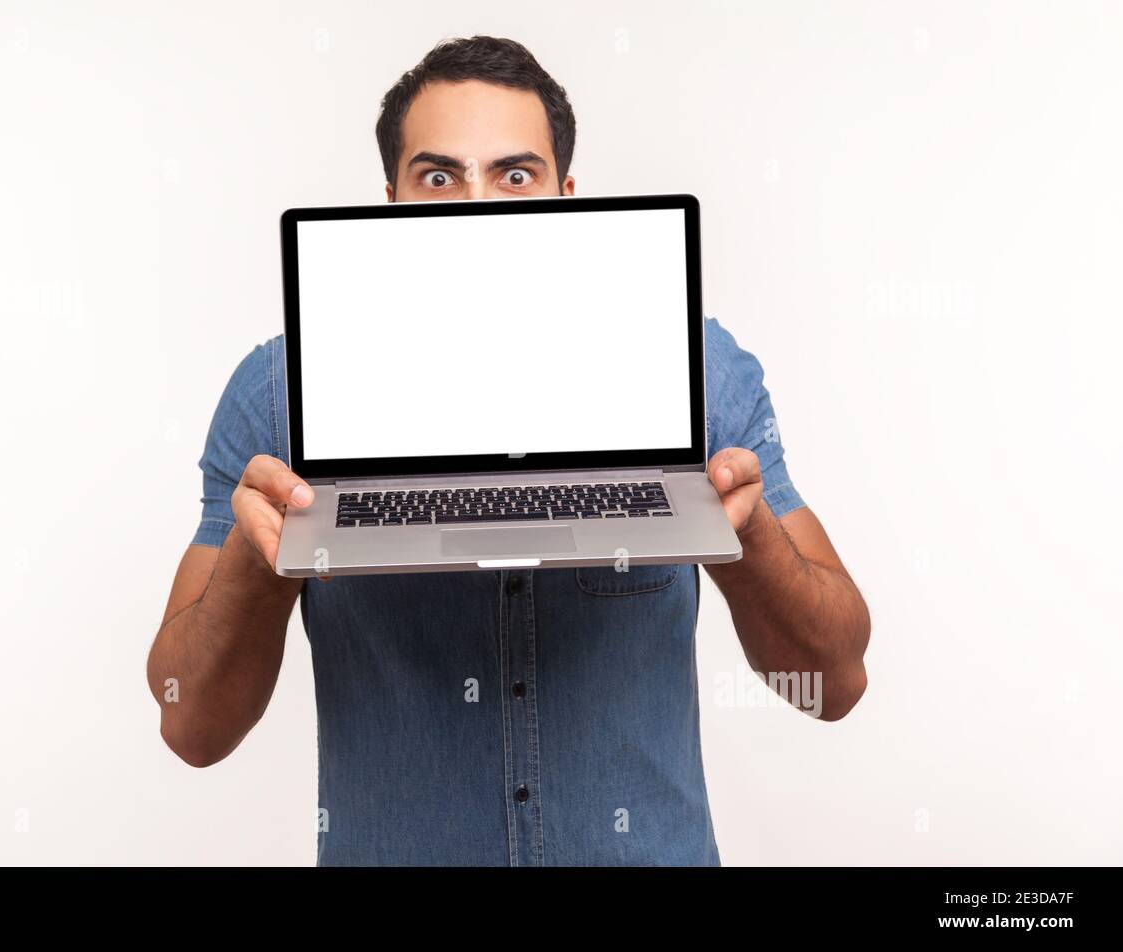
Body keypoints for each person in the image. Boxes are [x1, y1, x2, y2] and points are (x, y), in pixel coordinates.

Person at [147, 35, 870, 866]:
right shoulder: (277, 397)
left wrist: (744, 541)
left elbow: (836, 685)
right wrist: (255, 551)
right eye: (439, 177)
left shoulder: (696, 375)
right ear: (392, 199)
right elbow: (189, 725)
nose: (477, 205)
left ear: (565, 196)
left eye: (515, 175)